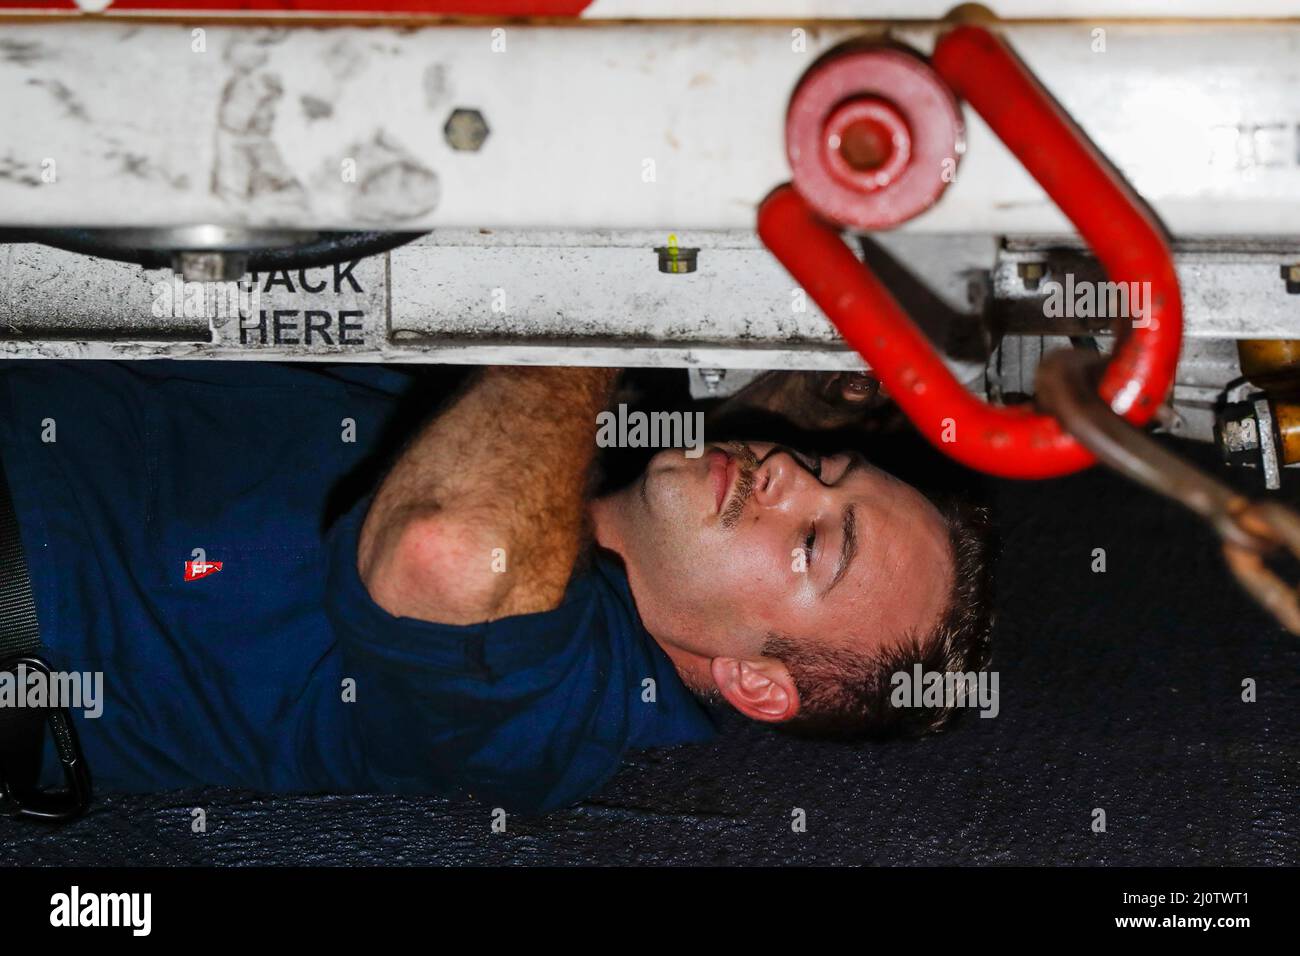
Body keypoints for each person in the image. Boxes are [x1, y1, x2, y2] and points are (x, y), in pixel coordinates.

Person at [0, 360, 992, 814]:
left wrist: (605, 313)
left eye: (815, 545)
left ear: (757, 680)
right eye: (827, 470)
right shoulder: (573, 465)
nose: (787, 475)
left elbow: (447, 548)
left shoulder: (568, 720)